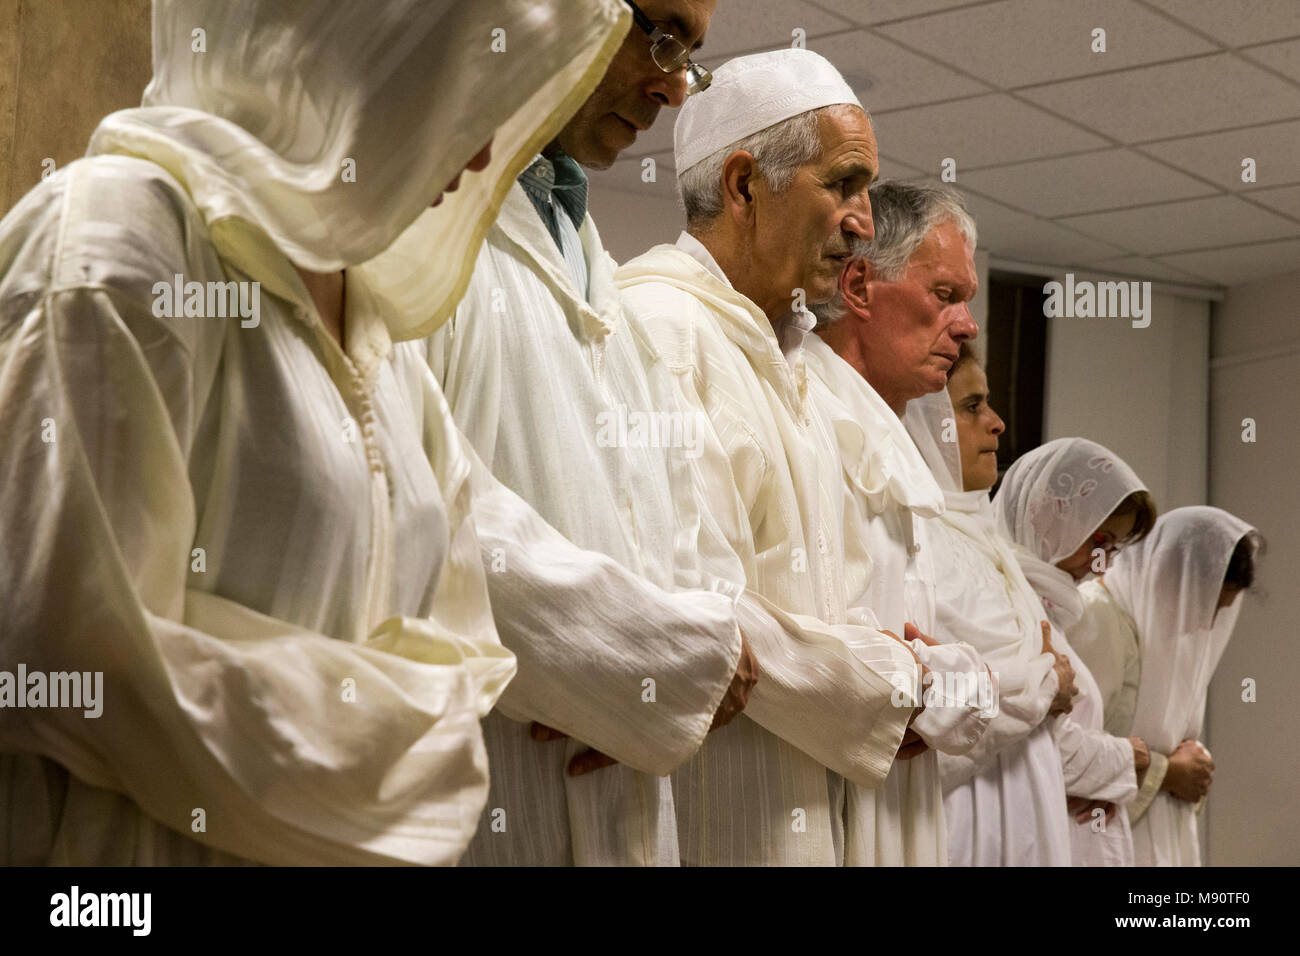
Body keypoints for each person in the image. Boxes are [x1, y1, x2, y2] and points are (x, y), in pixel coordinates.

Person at [0, 0, 629, 865]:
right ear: (344, 52)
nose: (484, 153)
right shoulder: (121, 237)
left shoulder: (375, 325)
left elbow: (473, 654)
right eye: (448, 91)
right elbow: (67, 657)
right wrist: (403, 744)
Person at [361, 0, 770, 867]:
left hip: (625, 780)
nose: (670, 88)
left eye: (688, 56)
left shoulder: (594, 261)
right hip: (486, 787)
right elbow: (410, 493)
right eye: (658, 34)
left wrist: (700, 642)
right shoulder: (412, 217)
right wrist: (636, 664)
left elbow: (679, 505)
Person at [616, 49, 989, 865]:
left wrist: (908, 667)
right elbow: (701, 613)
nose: (863, 220)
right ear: (746, 185)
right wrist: (903, 686)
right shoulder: (658, 330)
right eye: (843, 184)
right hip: (722, 812)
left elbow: (855, 613)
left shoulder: (800, 365)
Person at [807, 182, 997, 865]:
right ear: (859, 286)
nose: (968, 324)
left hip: (897, 807)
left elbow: (963, 684)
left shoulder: (889, 436)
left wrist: (932, 681)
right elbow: (810, 645)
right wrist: (918, 684)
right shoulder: (805, 416)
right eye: (945, 295)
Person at [902, 344, 1076, 865]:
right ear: (923, 421)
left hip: (1027, 805)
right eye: (971, 406)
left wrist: (1034, 681)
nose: (997, 423)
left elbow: (1015, 681)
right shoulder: (915, 537)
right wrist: (1045, 681)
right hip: (963, 821)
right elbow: (935, 706)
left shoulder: (983, 533)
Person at [993, 438, 1158, 866]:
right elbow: (1021, 740)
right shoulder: (1003, 602)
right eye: (1101, 539)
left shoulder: (1050, 610)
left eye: (1116, 548)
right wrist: (1128, 759)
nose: (1104, 562)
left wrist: (1112, 774)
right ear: (1047, 512)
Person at [1071, 507, 1261, 866]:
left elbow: (1174, 743)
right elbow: (1067, 752)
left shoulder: (1170, 639)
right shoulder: (1097, 618)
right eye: (1204, 607)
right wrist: (1168, 773)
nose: (1207, 626)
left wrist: (1192, 766)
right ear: (1168, 578)